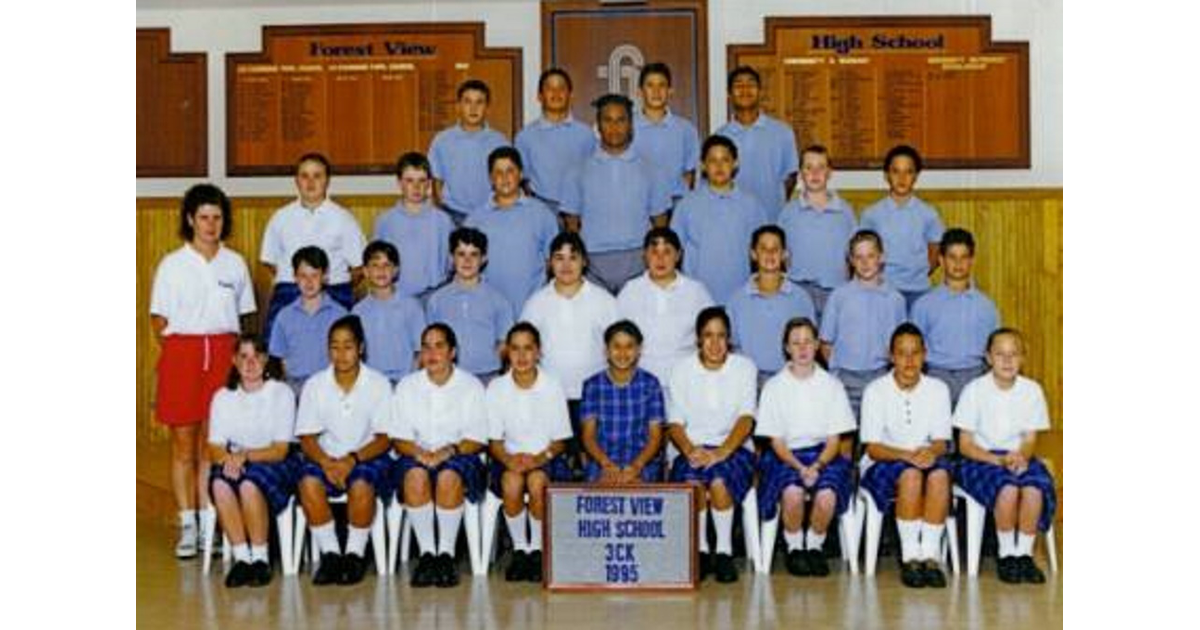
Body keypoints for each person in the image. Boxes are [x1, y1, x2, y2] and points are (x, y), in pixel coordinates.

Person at [150, 183, 256, 558]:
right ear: (190, 220)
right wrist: (184, 354)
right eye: (204, 217)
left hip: (224, 353)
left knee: (214, 445)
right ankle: (188, 525)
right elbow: (159, 319)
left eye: (217, 218)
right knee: (183, 446)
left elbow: (245, 316)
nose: (211, 225)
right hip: (184, 353)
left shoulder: (235, 263)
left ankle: (213, 522)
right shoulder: (172, 264)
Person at [384, 324, 489, 588]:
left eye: (439, 346)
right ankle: (428, 554)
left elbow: (477, 437)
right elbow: (399, 436)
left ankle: (446, 554)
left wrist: (448, 452)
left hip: (459, 453)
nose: (432, 353)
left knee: (449, 476)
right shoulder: (407, 386)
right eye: (426, 347)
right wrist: (420, 454)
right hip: (416, 453)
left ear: (452, 352)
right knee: (416, 475)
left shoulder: (471, 386)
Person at [294, 315, 394, 586]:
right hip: (326, 457)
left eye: (348, 346)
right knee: (308, 482)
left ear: (360, 347)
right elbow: (307, 436)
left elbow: (385, 438)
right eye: (334, 346)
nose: (341, 354)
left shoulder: (379, 383)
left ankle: (354, 554)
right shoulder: (315, 385)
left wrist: (352, 460)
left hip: (366, 455)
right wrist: (327, 462)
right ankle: (330, 554)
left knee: (361, 483)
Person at [953, 328, 1056, 584]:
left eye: (1014, 354)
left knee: (1034, 487)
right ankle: (1006, 553)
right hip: (981, 458)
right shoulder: (974, 390)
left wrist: (1021, 456)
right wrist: (997, 460)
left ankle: (1024, 554)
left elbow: (1030, 439)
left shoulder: (1032, 390)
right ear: (988, 357)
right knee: (1008, 487)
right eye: (1000, 354)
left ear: (1022, 358)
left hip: (1018, 455)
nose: (1007, 361)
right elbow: (965, 444)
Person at [755, 318, 855, 578]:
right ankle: (794, 547)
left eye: (808, 342)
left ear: (817, 345)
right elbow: (775, 440)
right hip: (785, 455)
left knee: (826, 496)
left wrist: (818, 465)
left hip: (824, 454)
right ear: (786, 348)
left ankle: (814, 545)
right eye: (795, 343)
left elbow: (835, 439)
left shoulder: (832, 385)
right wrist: (800, 467)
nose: (802, 349)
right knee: (792, 493)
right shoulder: (774, 387)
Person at [859, 323, 954, 589]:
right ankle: (911, 556)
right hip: (885, 460)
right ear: (891, 356)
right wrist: (907, 456)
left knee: (939, 476)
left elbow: (941, 442)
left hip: (926, 455)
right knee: (911, 476)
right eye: (902, 353)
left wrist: (929, 453)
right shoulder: (875, 391)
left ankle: (930, 556)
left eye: (915, 353)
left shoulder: (938, 389)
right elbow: (873, 448)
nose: (909, 360)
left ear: (925, 355)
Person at [667, 307, 757, 583]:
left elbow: (746, 418)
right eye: (708, 336)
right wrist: (691, 451)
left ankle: (724, 552)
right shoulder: (681, 370)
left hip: (734, 448)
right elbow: (675, 423)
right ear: (698, 339)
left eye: (721, 336)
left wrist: (721, 452)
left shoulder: (744, 368)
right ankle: (701, 551)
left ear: (729, 338)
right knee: (693, 482)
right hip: (692, 448)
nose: (715, 343)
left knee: (719, 481)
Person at [486, 323, 574, 582]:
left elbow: (560, 441)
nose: (522, 356)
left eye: (528, 348)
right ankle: (520, 550)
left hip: (546, 458)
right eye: (515, 349)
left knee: (537, 482)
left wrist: (537, 459)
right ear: (506, 352)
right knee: (511, 482)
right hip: (508, 460)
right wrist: (511, 461)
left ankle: (537, 549)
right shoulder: (496, 388)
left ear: (538, 352)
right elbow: (494, 441)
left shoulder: (552, 386)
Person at [207, 334, 297, 587]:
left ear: (266, 360)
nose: (250, 363)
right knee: (219, 484)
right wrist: (230, 460)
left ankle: (260, 559)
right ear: (234, 361)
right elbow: (214, 446)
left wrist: (243, 457)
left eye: (256, 356)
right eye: (243, 357)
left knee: (249, 484)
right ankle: (242, 559)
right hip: (236, 460)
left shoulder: (282, 393)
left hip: (273, 463)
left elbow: (280, 450)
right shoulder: (223, 397)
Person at [560, 93, 673, 294]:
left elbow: (660, 225)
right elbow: (571, 227)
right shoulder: (576, 170)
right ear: (598, 125)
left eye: (621, 120)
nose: (614, 127)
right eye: (607, 120)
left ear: (631, 125)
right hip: (593, 264)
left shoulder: (652, 170)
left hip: (638, 262)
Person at [520, 232, 619, 440]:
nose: (566, 265)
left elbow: (619, 346)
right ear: (549, 263)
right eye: (559, 258)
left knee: (592, 461)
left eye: (573, 257)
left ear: (585, 262)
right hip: (549, 396)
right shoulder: (536, 303)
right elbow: (522, 348)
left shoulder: (604, 300)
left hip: (596, 397)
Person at [260, 152, 364, 342]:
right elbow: (270, 262)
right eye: (304, 176)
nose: (310, 182)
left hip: (333, 291)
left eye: (317, 176)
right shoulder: (281, 217)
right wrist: (300, 281)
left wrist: (327, 284)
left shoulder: (343, 218)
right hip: (289, 292)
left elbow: (358, 267)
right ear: (296, 181)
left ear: (327, 181)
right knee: (275, 347)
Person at [819, 230, 907, 424]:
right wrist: (837, 372)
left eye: (870, 256)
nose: (865, 263)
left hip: (881, 377)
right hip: (846, 378)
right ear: (850, 260)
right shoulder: (839, 296)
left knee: (880, 436)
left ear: (881, 257)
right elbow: (826, 342)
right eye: (859, 257)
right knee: (845, 437)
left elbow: (901, 345)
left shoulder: (895, 299)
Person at [671, 134, 770, 302]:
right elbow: (673, 252)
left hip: (742, 296)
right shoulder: (687, 205)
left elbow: (763, 252)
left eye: (725, 160)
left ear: (735, 163)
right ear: (702, 166)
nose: (719, 166)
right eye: (712, 160)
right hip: (697, 297)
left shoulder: (752, 206)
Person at [910, 228, 1000, 406]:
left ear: (972, 260)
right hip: (936, 375)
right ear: (941, 261)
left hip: (975, 375)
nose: (958, 263)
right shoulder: (924, 304)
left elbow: (994, 350)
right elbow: (914, 348)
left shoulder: (986, 306)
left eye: (964, 257)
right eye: (952, 257)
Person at [615, 227, 713, 388]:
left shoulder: (696, 291)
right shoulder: (630, 291)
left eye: (667, 252)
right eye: (654, 252)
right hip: (640, 380)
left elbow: (710, 336)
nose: (660, 259)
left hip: (688, 379)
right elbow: (616, 338)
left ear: (678, 255)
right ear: (644, 255)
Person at [463, 146, 559, 311]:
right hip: (488, 308)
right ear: (491, 178)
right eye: (498, 172)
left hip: (532, 307)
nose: (504, 177)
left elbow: (553, 261)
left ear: (520, 174)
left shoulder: (541, 213)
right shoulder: (475, 220)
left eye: (510, 171)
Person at [727, 226, 816, 386]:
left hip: (791, 379)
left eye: (775, 249)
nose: (770, 253)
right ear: (753, 254)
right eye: (763, 248)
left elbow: (809, 345)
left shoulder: (800, 298)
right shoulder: (737, 300)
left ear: (784, 254)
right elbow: (732, 347)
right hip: (749, 381)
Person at [580, 320, 667, 484]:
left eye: (629, 346)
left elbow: (655, 437)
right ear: (606, 351)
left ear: (639, 350)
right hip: (603, 459)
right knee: (604, 490)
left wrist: (636, 466)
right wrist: (606, 465)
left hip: (642, 460)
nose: (622, 353)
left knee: (636, 490)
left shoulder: (651, 384)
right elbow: (589, 437)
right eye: (616, 346)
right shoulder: (592, 385)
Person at [860, 145, 945, 310]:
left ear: (916, 176)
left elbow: (935, 251)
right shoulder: (871, 214)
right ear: (886, 176)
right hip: (883, 290)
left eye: (908, 171)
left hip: (919, 291)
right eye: (895, 171)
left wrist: (918, 273)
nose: (902, 178)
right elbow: (863, 251)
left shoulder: (928, 213)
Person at [777, 144, 858, 319]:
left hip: (835, 290)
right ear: (800, 173)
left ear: (830, 172)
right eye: (808, 167)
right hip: (799, 289)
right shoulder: (788, 212)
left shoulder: (845, 211)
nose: (815, 173)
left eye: (821, 167)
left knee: (831, 342)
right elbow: (781, 253)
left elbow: (853, 253)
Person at [426, 228, 514, 382]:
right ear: (452, 258)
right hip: (449, 377)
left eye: (474, 254)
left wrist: (491, 363)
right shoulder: (437, 300)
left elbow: (504, 342)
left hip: (488, 377)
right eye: (461, 254)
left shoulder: (499, 300)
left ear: (484, 258)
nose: (467, 261)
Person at [714, 66, 798, 220]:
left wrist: (776, 202)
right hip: (732, 219)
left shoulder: (782, 132)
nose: (745, 89)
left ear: (760, 92)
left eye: (751, 84)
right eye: (738, 85)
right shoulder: (720, 136)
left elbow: (791, 176)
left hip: (773, 219)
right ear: (729, 94)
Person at [373, 152, 455, 301]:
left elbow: (452, 265)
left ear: (429, 184)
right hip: (397, 296)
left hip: (434, 295)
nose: (416, 187)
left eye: (422, 181)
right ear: (399, 183)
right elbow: (377, 263)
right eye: (410, 180)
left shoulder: (443, 221)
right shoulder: (385, 221)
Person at [514, 68, 596, 213]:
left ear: (571, 95)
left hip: (578, 211)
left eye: (561, 88)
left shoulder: (586, 134)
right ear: (539, 96)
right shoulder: (525, 136)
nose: (556, 93)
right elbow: (520, 179)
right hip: (539, 209)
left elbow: (594, 176)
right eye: (549, 88)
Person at [268, 246, 348, 394]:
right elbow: (281, 359)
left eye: (314, 275)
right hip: (295, 387)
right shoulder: (284, 316)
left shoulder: (341, 315)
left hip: (330, 387)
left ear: (325, 276)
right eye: (303, 276)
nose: (309, 282)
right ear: (295, 277)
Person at [429, 79, 509, 224]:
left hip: (489, 214)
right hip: (452, 215)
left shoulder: (500, 142)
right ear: (458, 106)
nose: (473, 108)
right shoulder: (442, 140)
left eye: (479, 102)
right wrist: (443, 209)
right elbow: (436, 181)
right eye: (467, 102)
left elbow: (507, 180)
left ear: (487, 107)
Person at [351, 240, 426, 384]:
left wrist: (410, 380)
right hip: (371, 384)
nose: (381, 270)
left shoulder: (411, 306)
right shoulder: (358, 312)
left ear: (396, 270)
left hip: (406, 381)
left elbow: (421, 350)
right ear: (366, 271)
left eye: (387, 265)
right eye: (375, 265)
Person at [631, 62, 700, 203]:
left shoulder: (686, 129)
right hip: (637, 206)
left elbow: (691, 172)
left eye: (662, 85)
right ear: (639, 91)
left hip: (676, 207)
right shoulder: (627, 128)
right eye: (650, 85)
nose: (656, 91)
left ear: (670, 91)